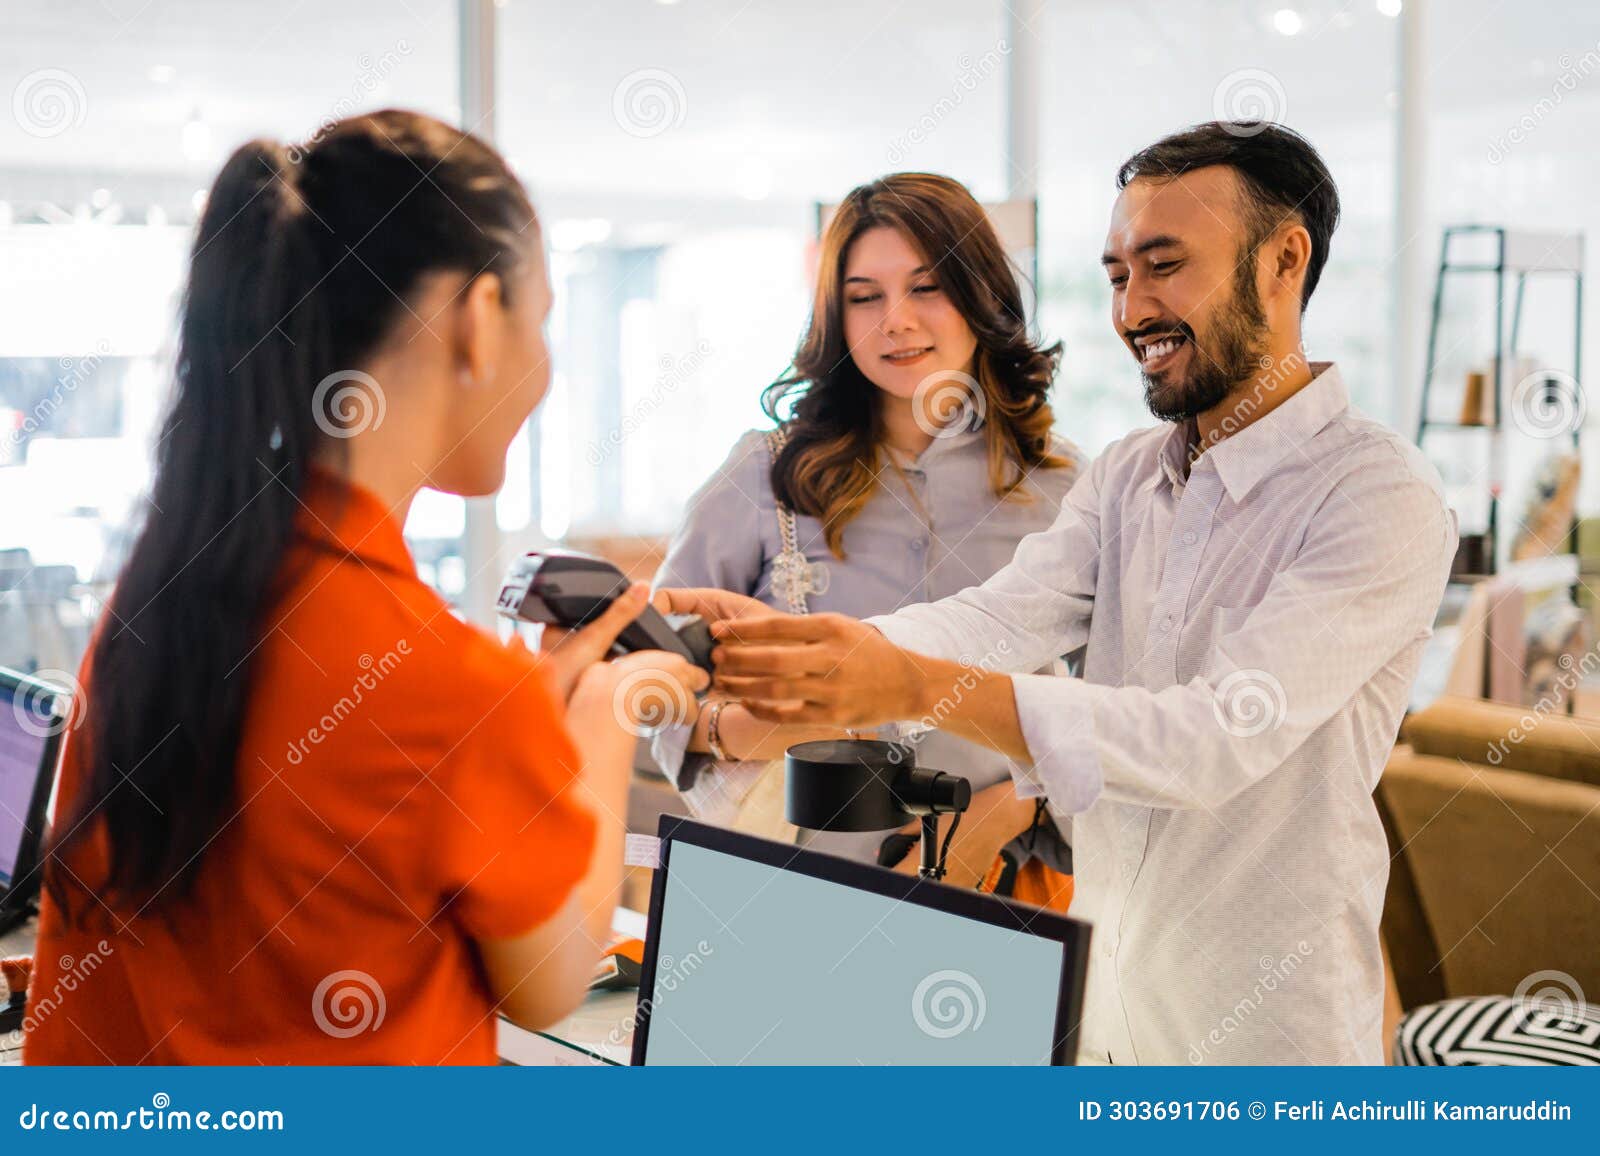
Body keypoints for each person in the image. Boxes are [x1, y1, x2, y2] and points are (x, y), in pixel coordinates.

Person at [660, 122, 1457, 1065]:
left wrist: (906, 686)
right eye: (1119, 275)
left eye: (1165, 266)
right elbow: (997, 615)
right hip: (1104, 1008)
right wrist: (833, 649)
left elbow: (1210, 740)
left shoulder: (1376, 495)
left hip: (1267, 1033)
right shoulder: (1126, 478)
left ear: (1285, 261)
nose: (1134, 309)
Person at [25, 110, 704, 1065]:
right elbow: (549, 979)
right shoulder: (447, 686)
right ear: (475, 321)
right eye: (541, 319)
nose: (544, 363)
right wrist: (604, 713)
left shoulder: (163, 594)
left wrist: (522, 729)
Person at [647, 173, 1076, 884]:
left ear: (981, 294)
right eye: (864, 297)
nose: (896, 320)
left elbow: (1122, 719)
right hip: (778, 889)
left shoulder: (1065, 492)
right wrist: (739, 728)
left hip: (1001, 895)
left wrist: (1011, 814)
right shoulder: (763, 475)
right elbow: (651, 676)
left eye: (927, 287)